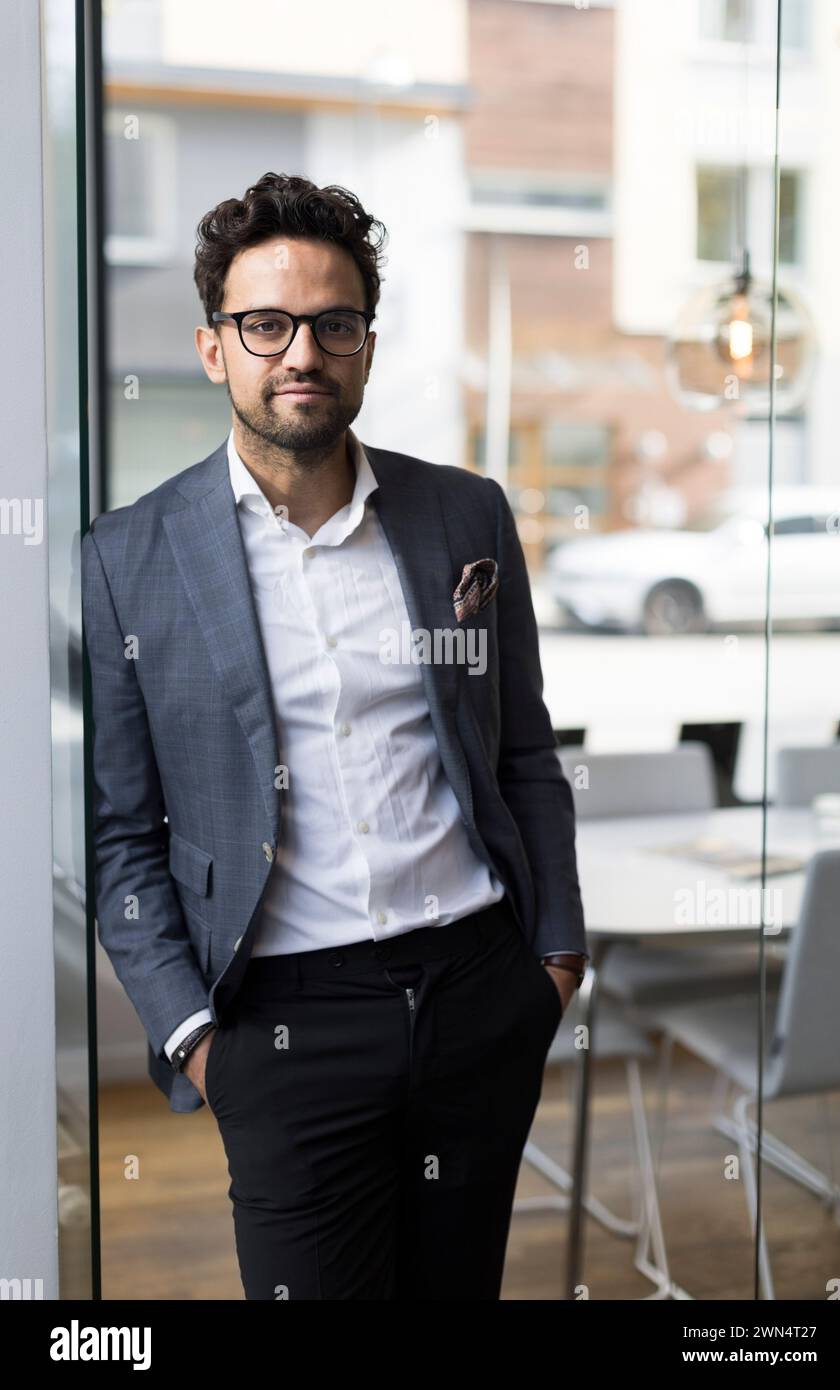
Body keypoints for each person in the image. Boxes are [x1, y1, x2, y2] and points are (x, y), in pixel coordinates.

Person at [82, 172, 589, 1299]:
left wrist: (553, 960)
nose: (299, 350)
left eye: (333, 323)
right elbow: (121, 836)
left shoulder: (464, 514)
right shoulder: (129, 557)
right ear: (217, 347)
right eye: (266, 324)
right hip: (278, 1026)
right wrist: (194, 1039)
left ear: (364, 344)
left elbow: (524, 754)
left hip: (478, 989)